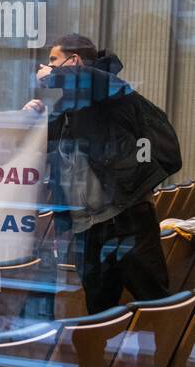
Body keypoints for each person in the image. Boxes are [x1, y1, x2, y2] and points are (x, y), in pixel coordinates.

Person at [23, 34, 181, 312]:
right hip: (87, 229)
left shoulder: (109, 92)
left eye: (52, 61)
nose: (43, 68)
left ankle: (165, 355)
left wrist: (56, 76)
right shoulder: (64, 111)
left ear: (74, 62)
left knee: (154, 302)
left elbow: (95, 80)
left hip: (127, 219)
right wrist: (30, 118)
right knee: (98, 311)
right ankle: (100, 358)